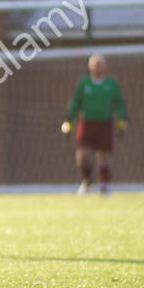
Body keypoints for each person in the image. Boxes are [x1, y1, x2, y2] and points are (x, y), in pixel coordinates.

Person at [61, 54, 127, 195]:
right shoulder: (84, 83)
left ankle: (104, 185)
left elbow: (120, 103)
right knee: (82, 154)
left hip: (104, 123)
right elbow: (75, 103)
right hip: (86, 123)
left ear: (105, 67)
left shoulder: (111, 84)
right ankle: (87, 181)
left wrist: (121, 121)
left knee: (103, 155)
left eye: (100, 64)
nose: (98, 67)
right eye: (95, 64)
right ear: (90, 67)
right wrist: (68, 121)